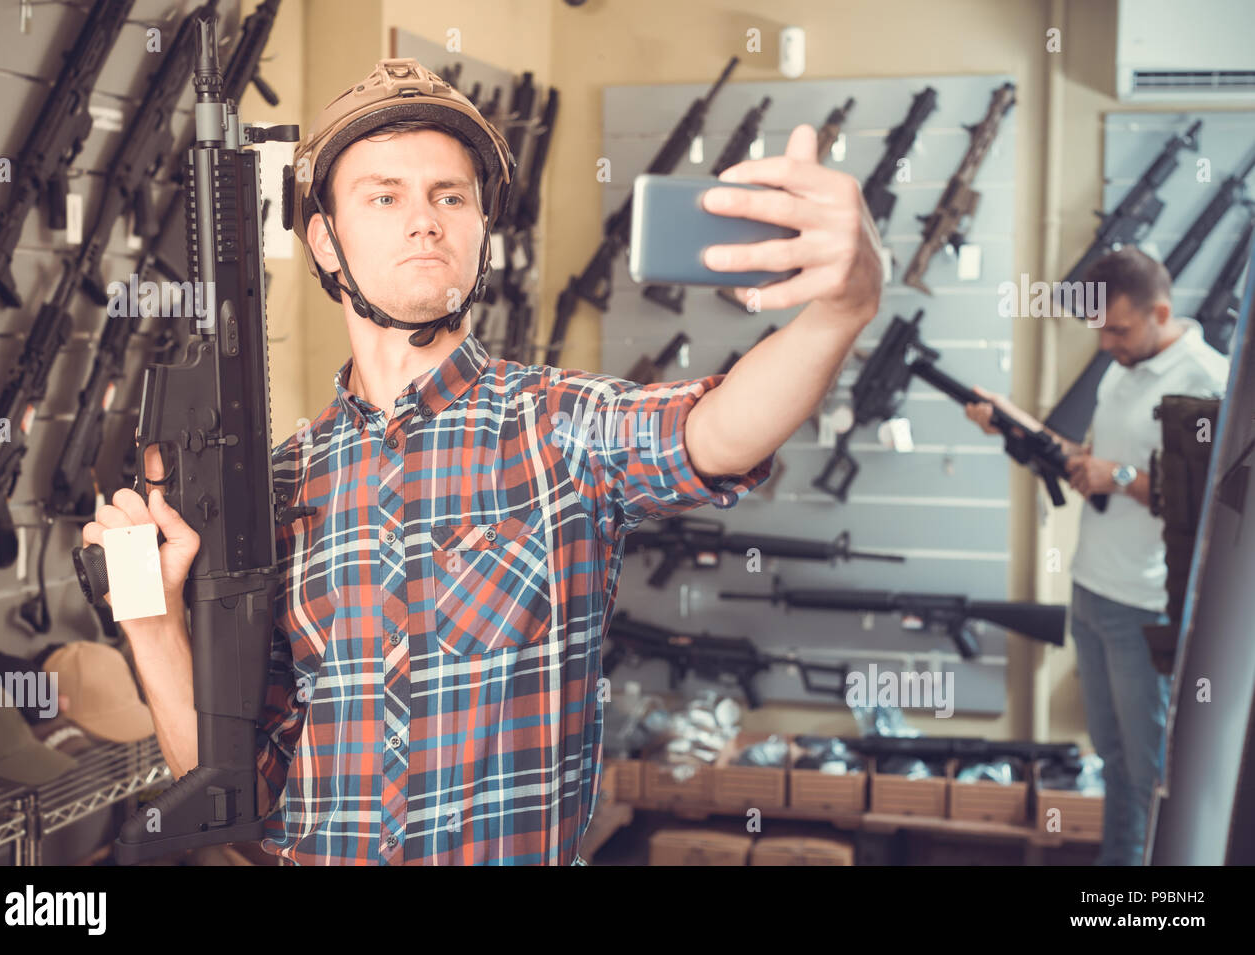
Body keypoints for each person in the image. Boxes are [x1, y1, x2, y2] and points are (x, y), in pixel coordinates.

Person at [80, 58, 883, 865]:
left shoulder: (560, 428)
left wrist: (840, 310)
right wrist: (150, 620)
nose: (423, 220)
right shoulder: (281, 486)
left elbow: (716, 432)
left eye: (449, 196)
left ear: (480, 232)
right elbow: (234, 797)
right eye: (384, 196)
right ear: (326, 243)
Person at [965, 247, 1229, 865]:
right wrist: (1014, 424)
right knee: (1111, 762)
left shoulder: (1205, 382)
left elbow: (1212, 503)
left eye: (1119, 329)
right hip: (1090, 592)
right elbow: (1088, 461)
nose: (1107, 342)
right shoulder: (1123, 367)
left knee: (1149, 777)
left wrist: (1128, 475)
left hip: (1143, 607)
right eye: (1101, 330)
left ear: (1160, 311)